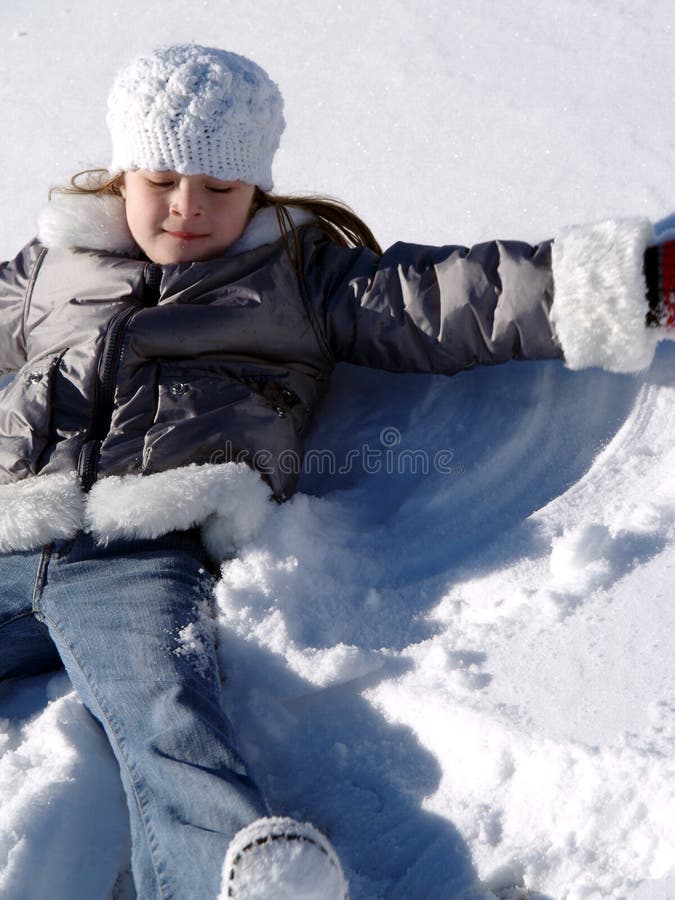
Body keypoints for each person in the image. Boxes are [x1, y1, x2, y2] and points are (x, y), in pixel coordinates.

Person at [0, 42, 673, 900]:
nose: (187, 208)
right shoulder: (51, 267)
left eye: (219, 187)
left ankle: (236, 873)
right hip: (14, 523)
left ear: (256, 190)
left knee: (163, 712)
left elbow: (443, 299)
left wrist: (623, 283)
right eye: (163, 181)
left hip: (142, 547)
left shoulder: (293, 275)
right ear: (122, 174)